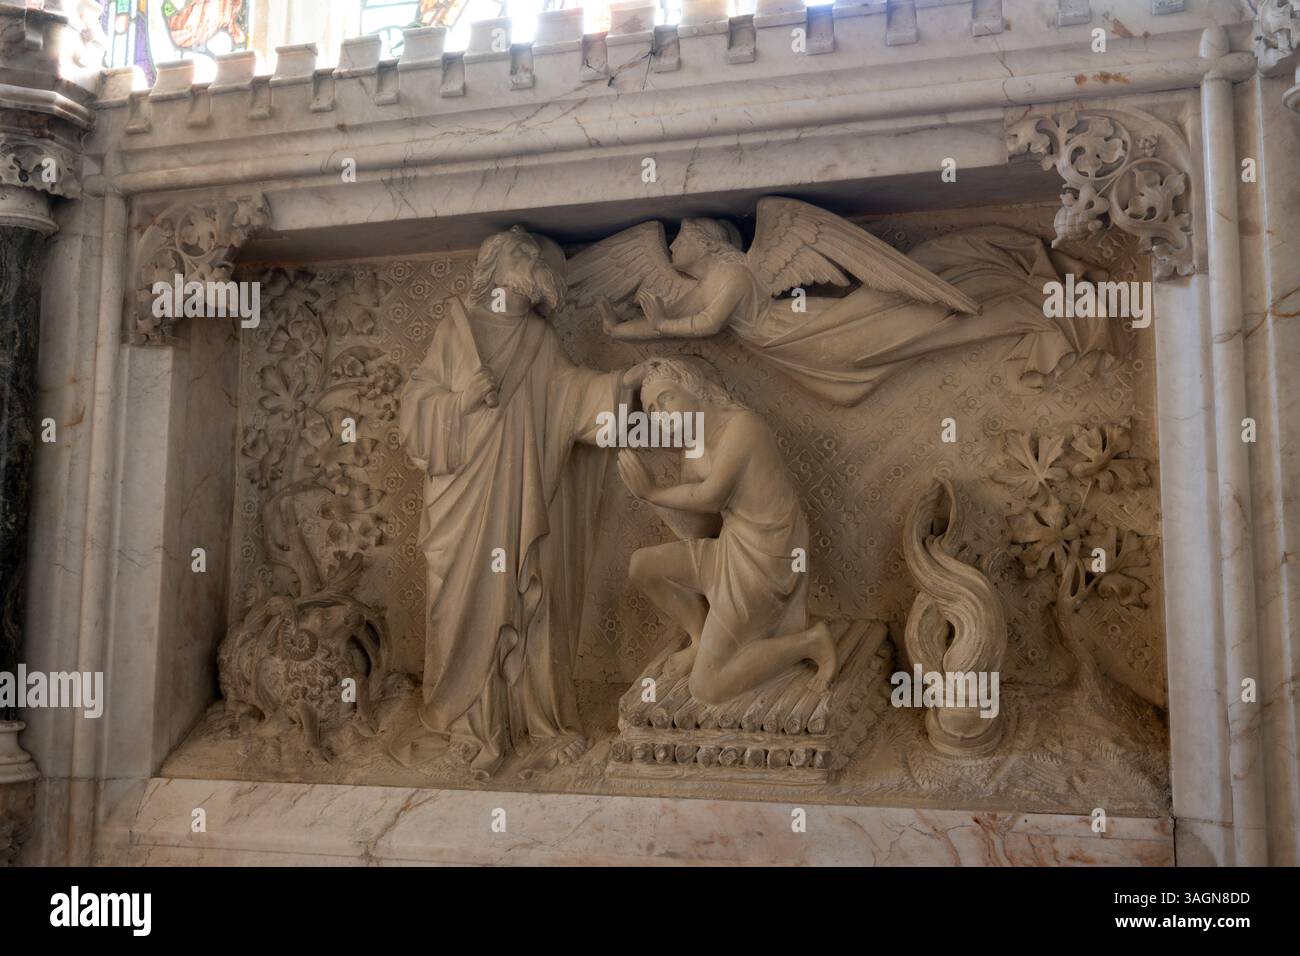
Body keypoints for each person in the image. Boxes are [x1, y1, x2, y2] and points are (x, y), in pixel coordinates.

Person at [616, 357, 837, 705]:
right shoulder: (694, 452)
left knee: (708, 687)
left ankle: (809, 643)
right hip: (732, 549)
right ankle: (701, 638)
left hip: (769, 559)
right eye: (652, 411)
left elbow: (711, 495)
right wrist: (653, 499)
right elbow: (695, 529)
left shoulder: (743, 427)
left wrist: (652, 491)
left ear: (695, 388)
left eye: (666, 399)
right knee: (643, 566)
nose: (660, 414)